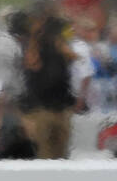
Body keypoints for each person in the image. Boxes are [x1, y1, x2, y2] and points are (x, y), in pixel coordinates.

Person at [19, 11, 75, 159]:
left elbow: (73, 60)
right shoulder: (34, 49)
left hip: (60, 109)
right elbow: (32, 69)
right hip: (41, 110)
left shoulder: (60, 52)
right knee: (45, 154)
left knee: (61, 155)